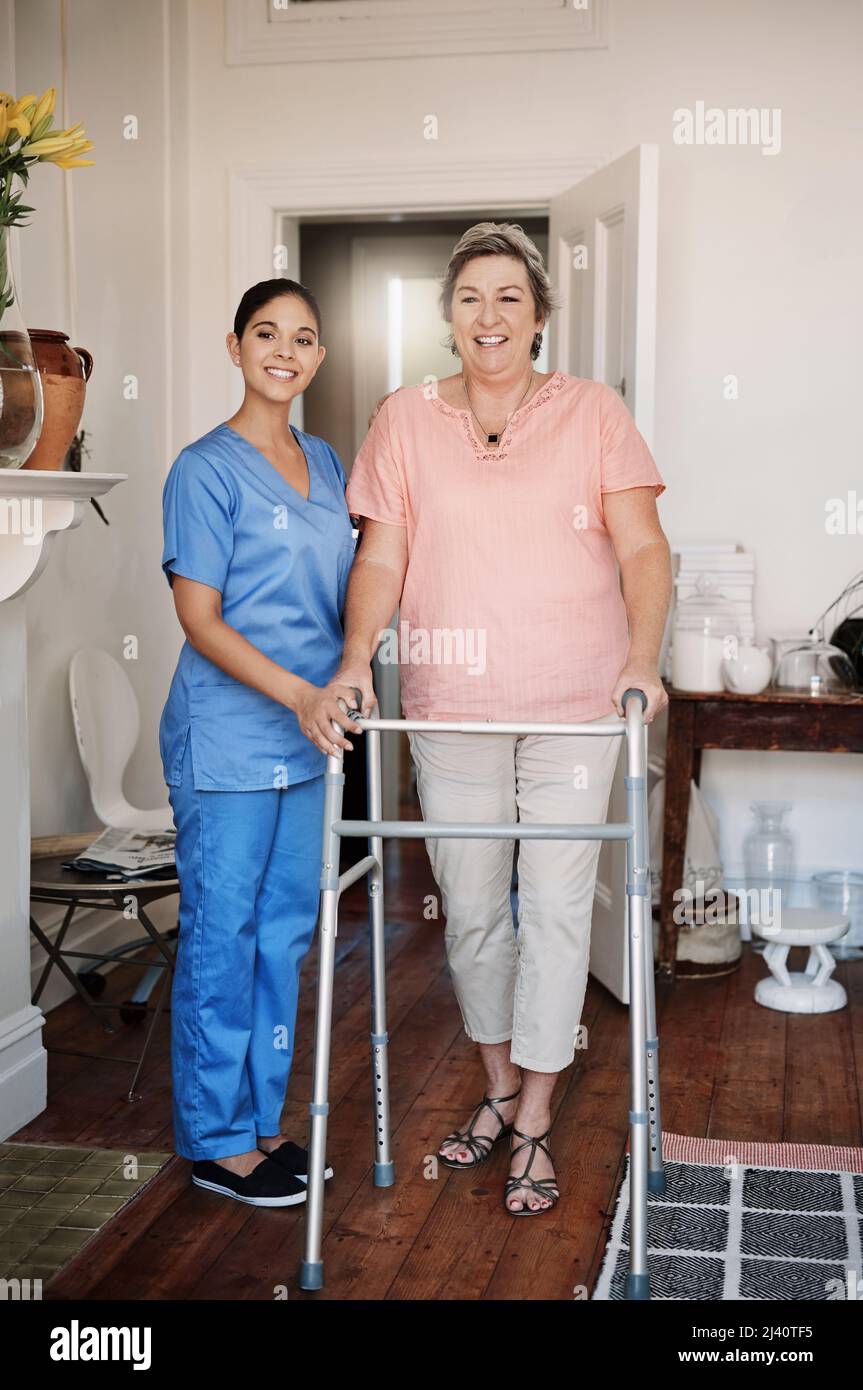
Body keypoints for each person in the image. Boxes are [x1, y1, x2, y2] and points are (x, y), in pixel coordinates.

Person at [336, 223, 672, 1215]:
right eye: (471, 297)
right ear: (449, 315)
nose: (489, 316)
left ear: (537, 318)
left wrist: (642, 659)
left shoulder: (592, 412)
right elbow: (382, 559)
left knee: (560, 906)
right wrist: (357, 654)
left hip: (576, 706)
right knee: (473, 908)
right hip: (448, 705)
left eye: (508, 298)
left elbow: (642, 549)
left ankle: (533, 1116)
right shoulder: (402, 418)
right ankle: (496, 1088)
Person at [158, 278, 363, 1207]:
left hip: (310, 732)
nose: (286, 349)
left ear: (319, 357)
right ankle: (213, 1140)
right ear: (235, 345)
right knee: (221, 933)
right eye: (267, 333)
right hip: (232, 733)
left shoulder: (326, 461)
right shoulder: (202, 469)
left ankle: (261, 1121)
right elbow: (199, 618)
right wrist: (298, 694)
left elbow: (348, 590)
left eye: (305, 337)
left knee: (281, 935)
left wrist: (341, 683)